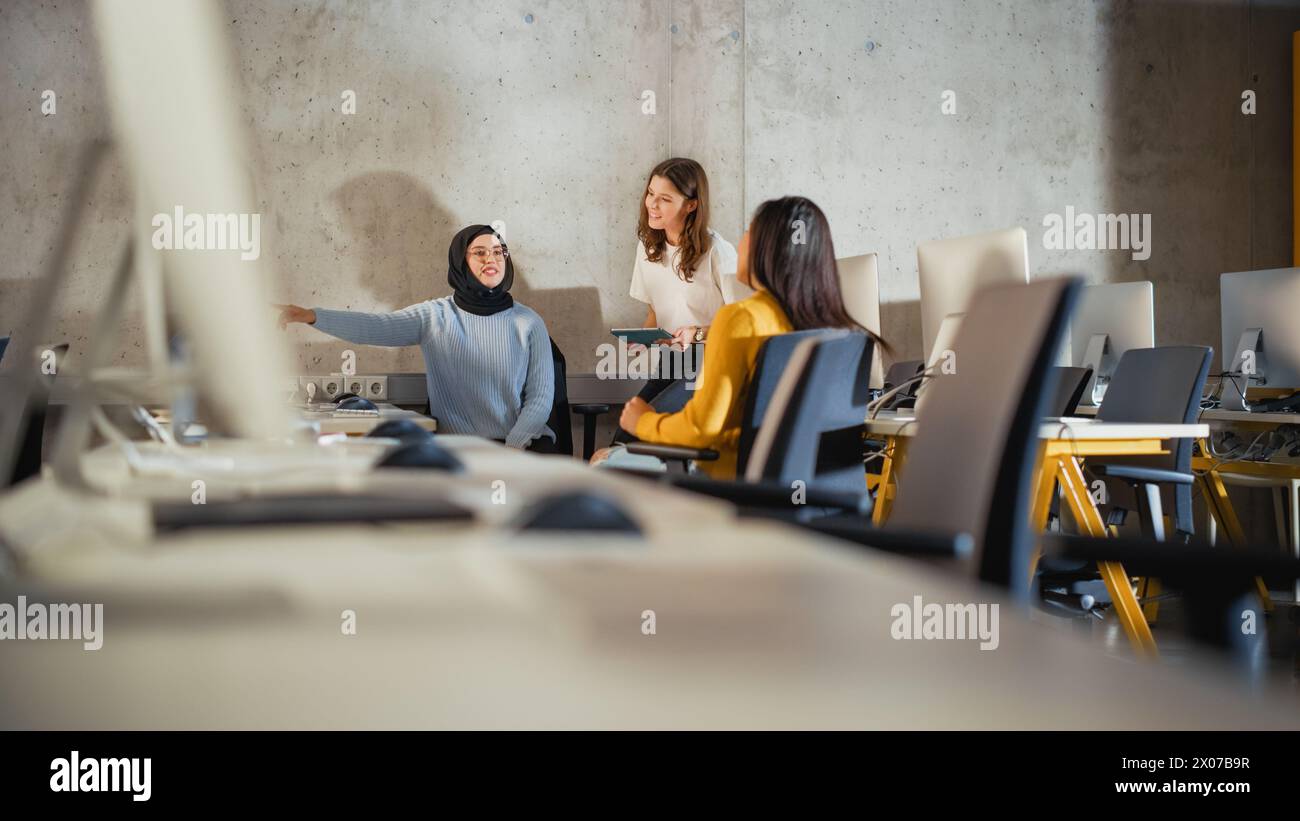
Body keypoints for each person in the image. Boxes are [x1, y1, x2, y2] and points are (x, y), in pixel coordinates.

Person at [615, 196, 879, 479]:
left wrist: (643, 421)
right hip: (805, 494)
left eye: (748, 233)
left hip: (734, 487)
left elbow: (700, 431)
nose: (740, 244)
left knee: (607, 460)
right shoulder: (839, 331)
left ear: (766, 249)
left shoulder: (740, 320)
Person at [275, 224, 556, 451]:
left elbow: (540, 400)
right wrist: (310, 315)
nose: (491, 259)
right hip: (458, 450)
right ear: (461, 263)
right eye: (479, 253)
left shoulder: (528, 322)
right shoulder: (436, 316)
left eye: (498, 252)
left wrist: (512, 449)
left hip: (521, 447)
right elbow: (375, 326)